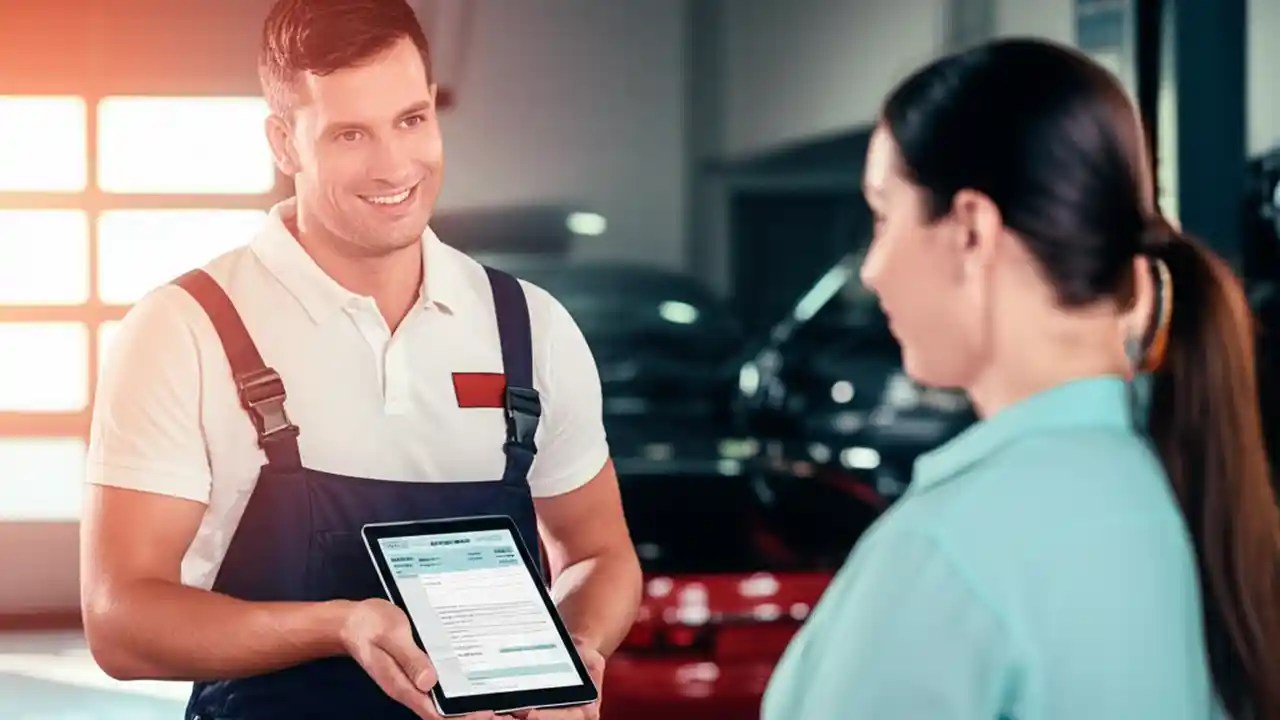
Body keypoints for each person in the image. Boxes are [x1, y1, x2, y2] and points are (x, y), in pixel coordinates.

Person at [79, 1, 641, 719]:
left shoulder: (530, 328)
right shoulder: (185, 330)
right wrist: (340, 626)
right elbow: (121, 623)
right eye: (350, 134)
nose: (395, 166)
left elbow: (598, 554)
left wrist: (575, 650)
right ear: (284, 142)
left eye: (411, 120)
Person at [763, 39, 1280, 719]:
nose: (873, 268)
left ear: (971, 230)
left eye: (884, 217)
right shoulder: (1162, 496)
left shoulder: (948, 552)